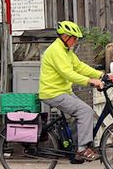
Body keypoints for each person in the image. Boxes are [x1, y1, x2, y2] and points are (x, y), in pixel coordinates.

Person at [40, 20, 107, 161]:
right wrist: (89, 81)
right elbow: (68, 74)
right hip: (53, 93)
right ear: (65, 37)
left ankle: (77, 149)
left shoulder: (66, 50)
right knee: (85, 111)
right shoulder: (56, 51)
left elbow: (79, 66)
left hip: (63, 91)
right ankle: (82, 149)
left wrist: (101, 75)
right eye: (74, 38)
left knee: (86, 113)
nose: (76, 41)